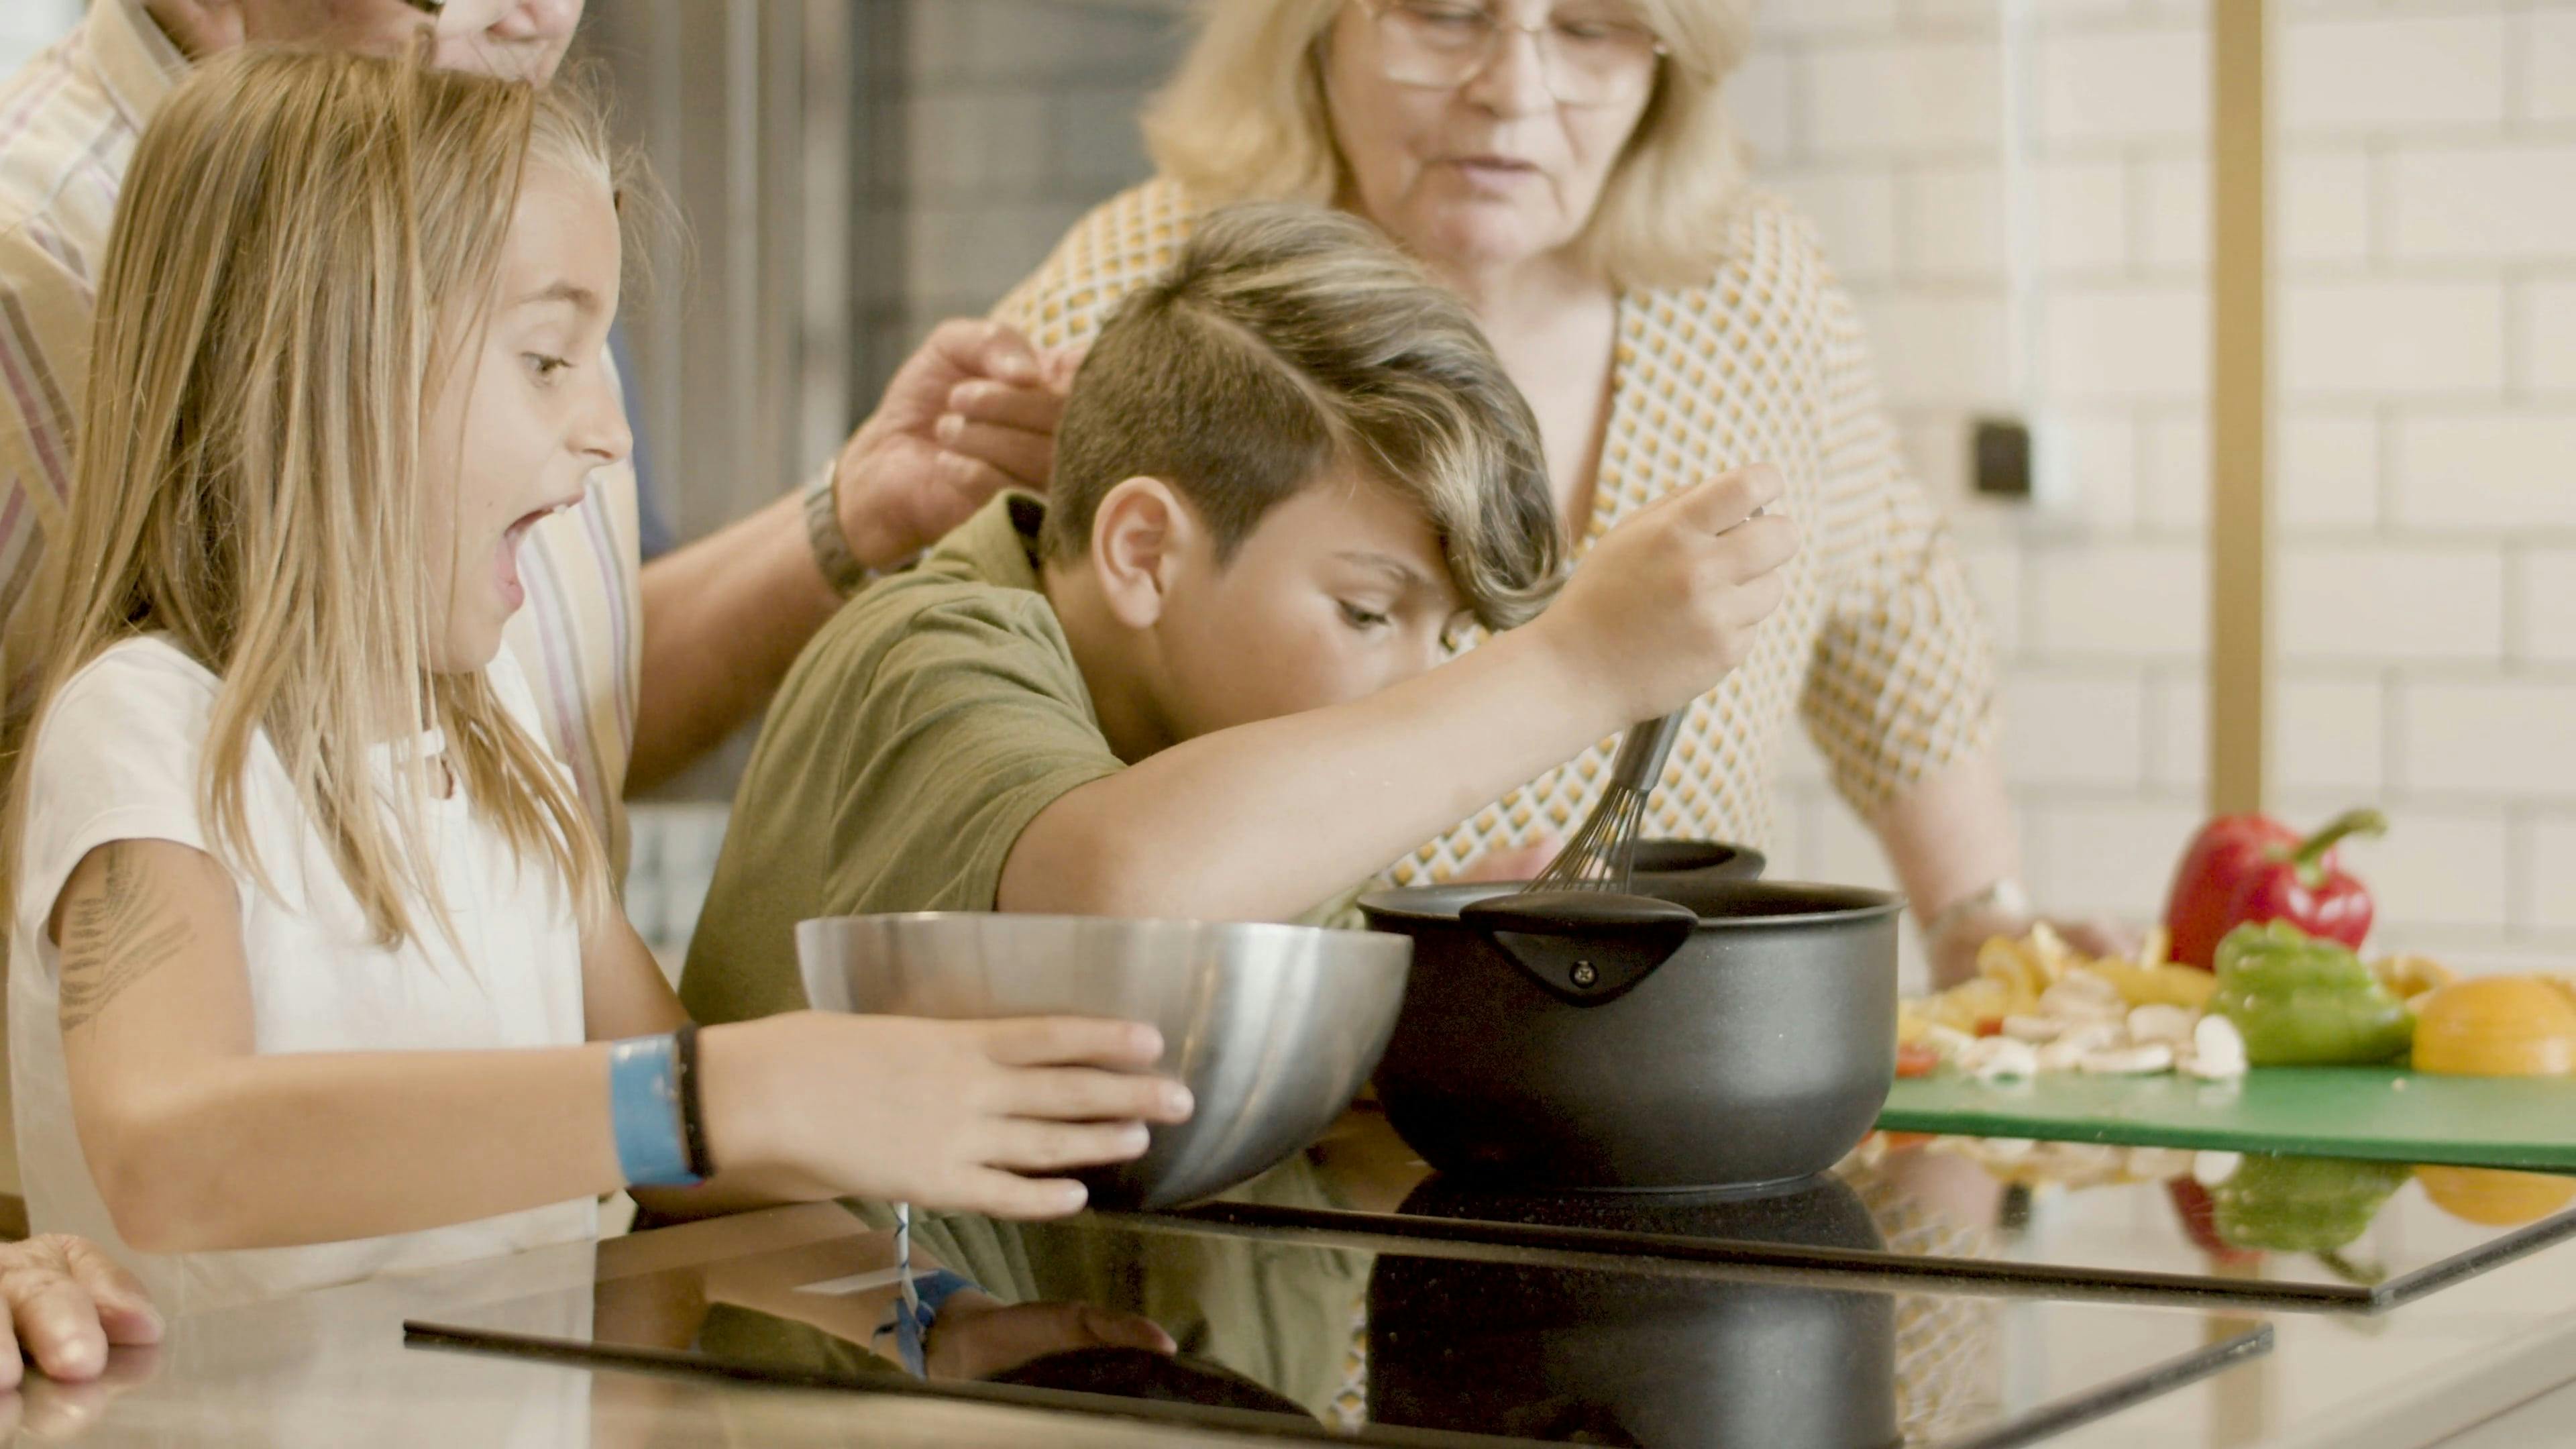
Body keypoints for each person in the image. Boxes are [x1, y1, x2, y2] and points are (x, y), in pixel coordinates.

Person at [0, 46, 1190, 1320]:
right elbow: (176, 1156)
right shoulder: (148, 730)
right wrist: (730, 1093)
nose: (611, 435)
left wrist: (930, 1314)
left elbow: (689, 1158)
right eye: (546, 360)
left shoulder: (500, 748)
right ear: (329, 369)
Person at [992, 0, 2114, 982]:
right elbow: (973, 719)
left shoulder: (1750, 287)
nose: (1515, 91)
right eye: (1443, 13)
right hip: (1269, 1093)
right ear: (1314, 23)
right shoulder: (1149, 301)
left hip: (1641, 1073)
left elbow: (1889, 603)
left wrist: (1977, 917)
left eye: (1590, 28)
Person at [678, 200, 1795, 1020]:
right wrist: (1574, 669)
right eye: (1369, 612)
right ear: (1144, 551)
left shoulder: (1223, 772)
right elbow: (1113, 897)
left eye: (1448, 636)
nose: (1416, 681)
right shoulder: (924, 652)